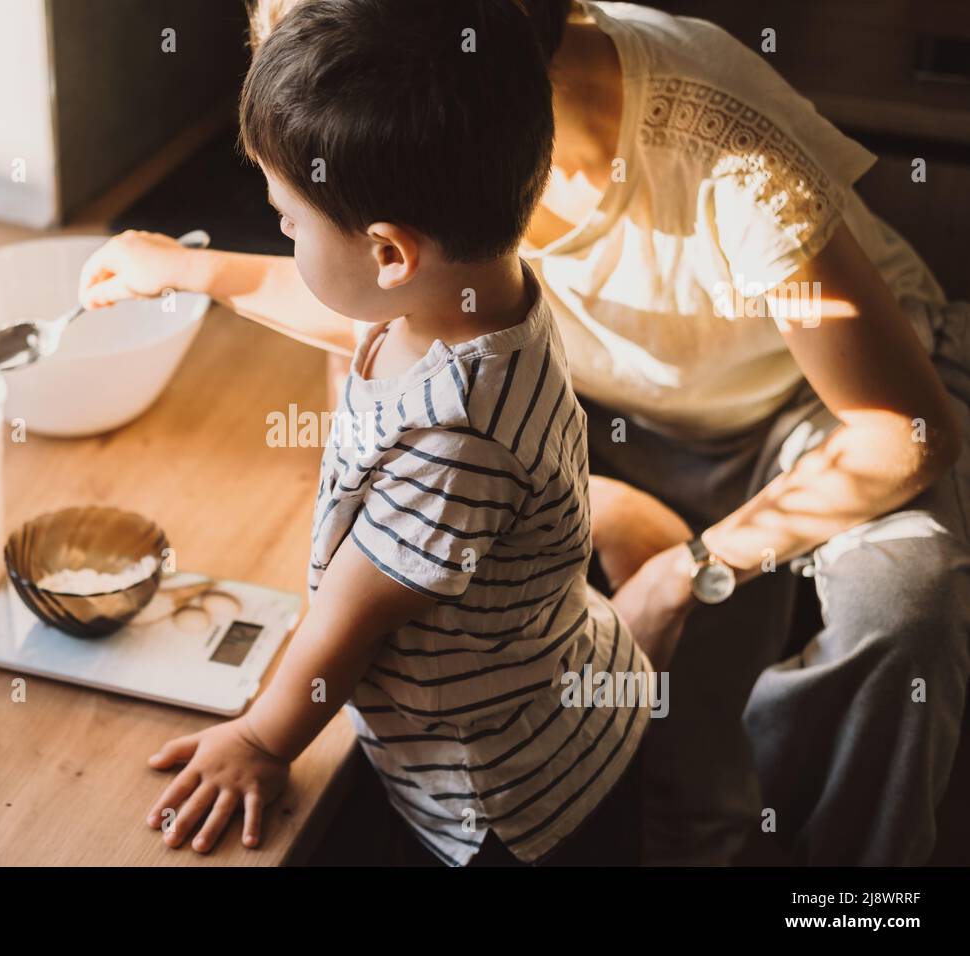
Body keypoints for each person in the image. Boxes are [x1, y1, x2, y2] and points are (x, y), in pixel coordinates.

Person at [80, 1, 970, 865]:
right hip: (574, 495)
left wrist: (264, 739)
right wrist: (193, 270)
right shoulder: (474, 220)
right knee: (659, 745)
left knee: (901, 614)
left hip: (809, 419)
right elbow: (368, 307)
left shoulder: (708, 142)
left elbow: (903, 431)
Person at [109, 0, 658, 865]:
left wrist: (260, 740)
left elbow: (345, 630)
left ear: (390, 254)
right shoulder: (471, 293)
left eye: (288, 222)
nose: (283, 237)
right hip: (555, 690)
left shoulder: (456, 442)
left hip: (510, 798)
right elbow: (351, 314)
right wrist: (188, 269)